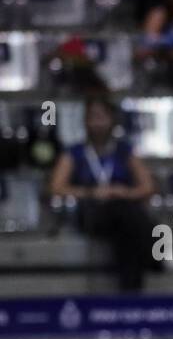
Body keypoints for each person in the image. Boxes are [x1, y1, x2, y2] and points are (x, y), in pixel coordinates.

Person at [48, 96, 156, 293]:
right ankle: (155, 258)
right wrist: (91, 192)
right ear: (85, 121)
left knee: (126, 226)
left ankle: (130, 288)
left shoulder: (124, 150)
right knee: (129, 219)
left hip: (123, 211)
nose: (97, 123)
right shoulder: (75, 152)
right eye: (92, 117)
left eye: (102, 117)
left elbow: (147, 187)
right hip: (91, 212)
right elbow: (57, 187)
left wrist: (122, 192)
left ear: (112, 120)